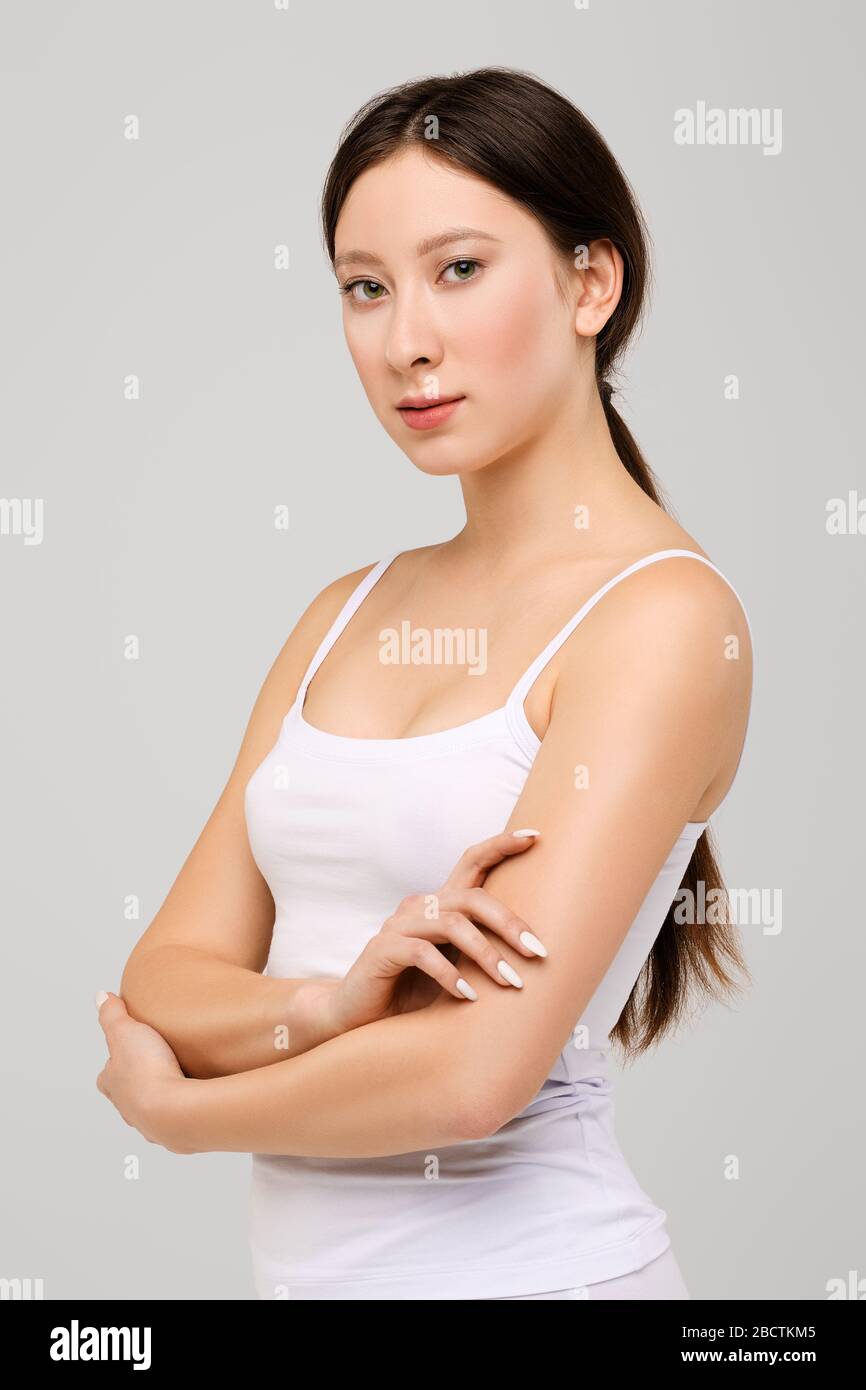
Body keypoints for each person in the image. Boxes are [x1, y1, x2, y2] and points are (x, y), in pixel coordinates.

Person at [97, 66, 754, 1301]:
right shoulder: (343, 612)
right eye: (365, 287)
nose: (406, 340)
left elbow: (471, 1074)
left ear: (588, 283)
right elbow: (164, 979)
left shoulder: (662, 619)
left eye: (458, 270)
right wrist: (338, 1003)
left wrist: (185, 1112)